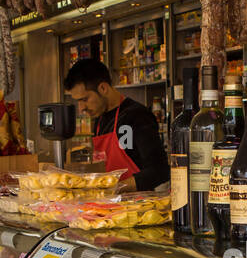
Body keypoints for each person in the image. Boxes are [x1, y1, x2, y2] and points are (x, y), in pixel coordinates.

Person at [63, 58, 169, 189]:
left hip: (137, 205)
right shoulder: (99, 119)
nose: (81, 108)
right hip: (109, 204)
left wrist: (114, 188)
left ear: (103, 88)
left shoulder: (136, 116)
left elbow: (159, 171)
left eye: (84, 99)